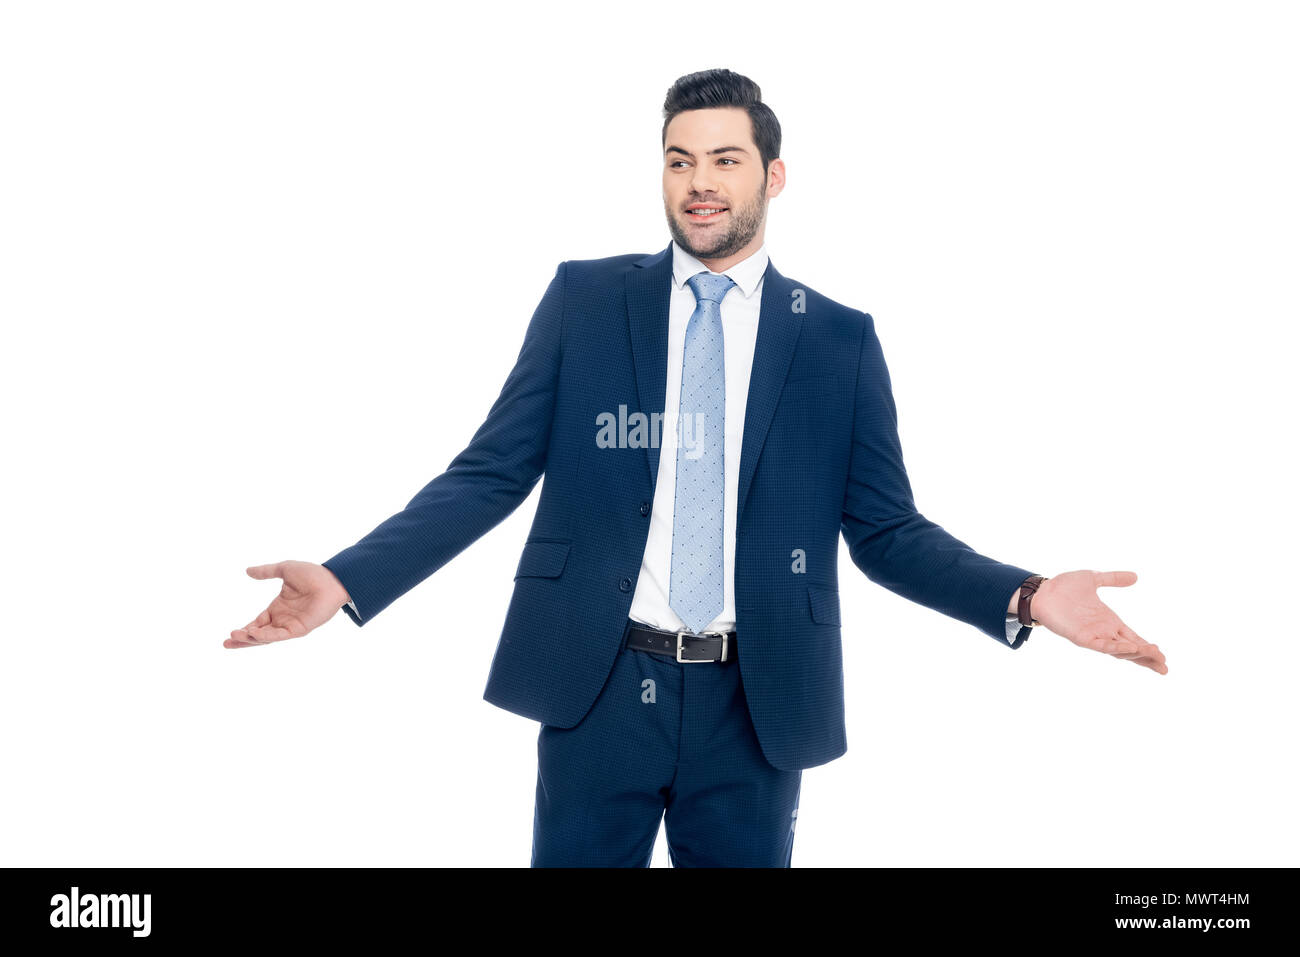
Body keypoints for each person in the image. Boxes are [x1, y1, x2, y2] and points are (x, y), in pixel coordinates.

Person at [227, 68, 1167, 867]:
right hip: (597, 686)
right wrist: (348, 577)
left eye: (725, 159)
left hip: (757, 706)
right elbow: (489, 472)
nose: (699, 183)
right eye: (680, 160)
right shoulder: (586, 299)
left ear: (775, 174)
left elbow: (886, 531)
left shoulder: (839, 340)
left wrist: (1028, 594)